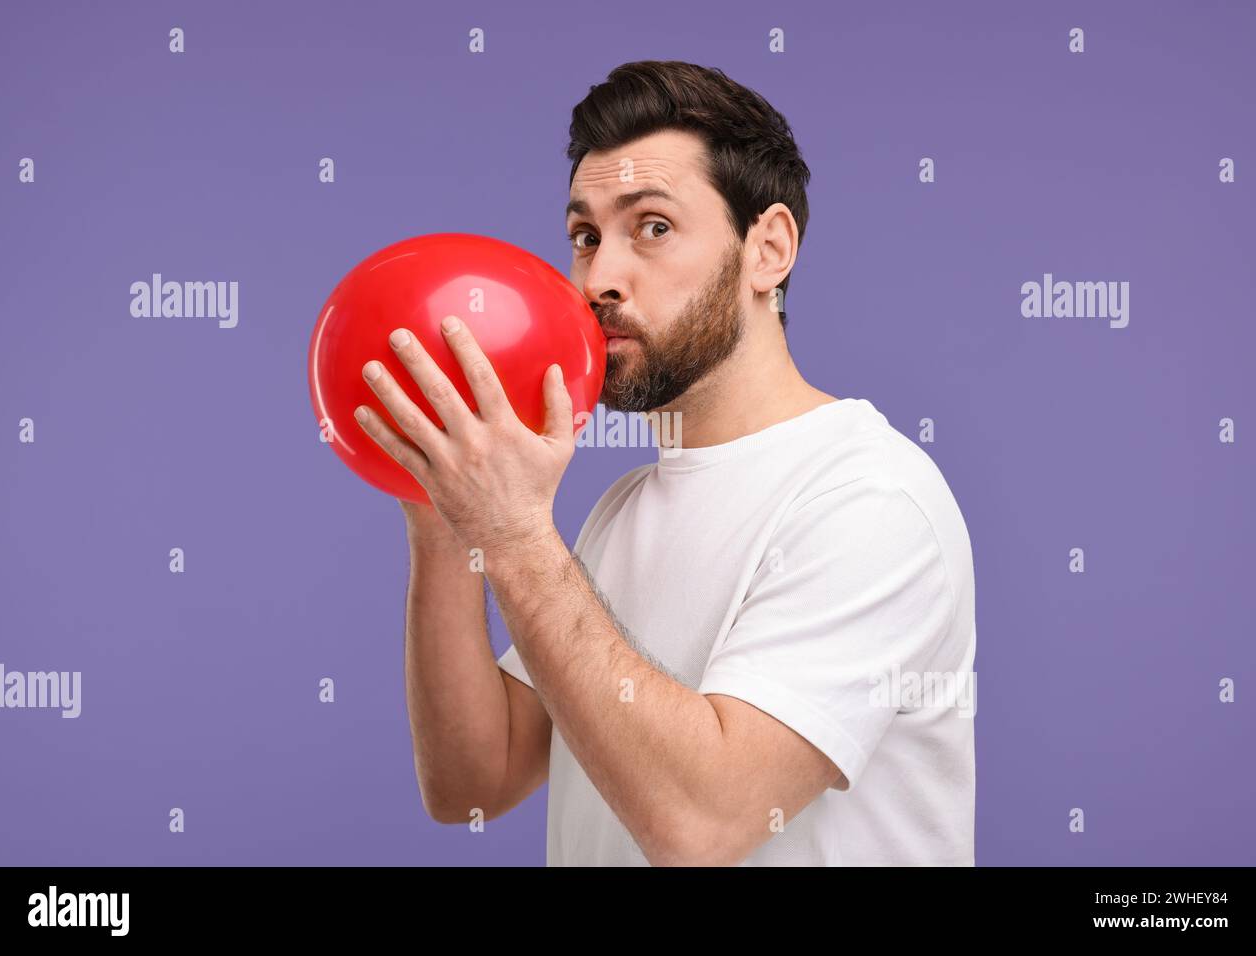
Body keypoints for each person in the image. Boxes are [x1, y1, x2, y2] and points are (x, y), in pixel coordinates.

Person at [353, 60, 976, 866]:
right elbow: (474, 781)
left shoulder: (870, 499)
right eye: (586, 237)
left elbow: (704, 826)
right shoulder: (623, 508)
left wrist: (512, 536)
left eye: (652, 227)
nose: (599, 279)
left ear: (769, 250)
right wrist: (442, 522)